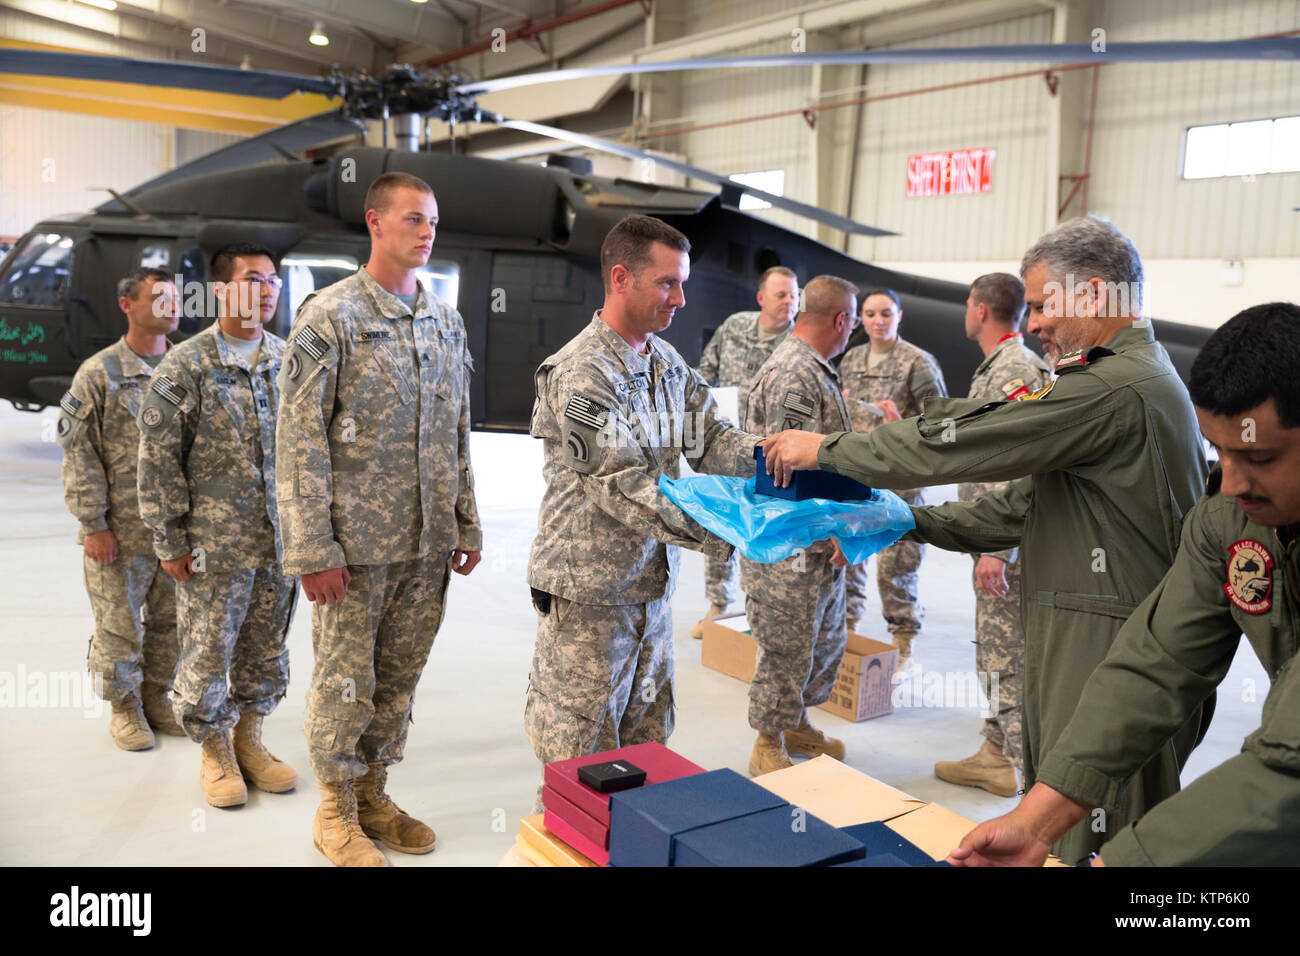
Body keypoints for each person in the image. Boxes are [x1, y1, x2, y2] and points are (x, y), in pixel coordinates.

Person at [760, 216, 1210, 863]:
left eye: (1042, 304)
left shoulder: (1117, 386)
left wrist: (830, 451)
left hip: (1110, 653)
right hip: (1092, 645)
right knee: (1071, 822)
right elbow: (1021, 510)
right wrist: (911, 520)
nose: (1035, 323)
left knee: (1101, 836)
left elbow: (968, 441)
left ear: (1091, 294)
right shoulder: (1124, 379)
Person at [949, 302, 1300, 866]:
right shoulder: (1228, 521)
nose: (1231, 481)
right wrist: (1038, 824)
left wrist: (1126, 866)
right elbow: (1155, 665)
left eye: (1258, 456)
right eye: (1220, 451)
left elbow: (1288, 763)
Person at [276, 172, 482, 867]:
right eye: (413, 218)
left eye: (433, 221)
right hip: (353, 548)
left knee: (397, 678)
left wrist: (466, 521)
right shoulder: (328, 317)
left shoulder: (444, 320)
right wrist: (311, 547)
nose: (426, 232)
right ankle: (334, 809)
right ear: (375, 222)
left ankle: (373, 793)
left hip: (425, 545)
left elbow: (458, 428)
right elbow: (299, 436)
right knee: (345, 678)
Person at [525, 214, 758, 803]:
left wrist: (777, 462)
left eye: (683, 284)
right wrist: (728, 526)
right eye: (667, 283)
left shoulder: (664, 362)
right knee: (580, 749)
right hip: (590, 593)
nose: (680, 299)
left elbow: (711, 439)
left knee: (645, 744)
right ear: (622, 278)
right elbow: (620, 482)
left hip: (649, 585)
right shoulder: (583, 372)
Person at [137, 243, 298, 810]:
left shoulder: (288, 361)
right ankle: (214, 748)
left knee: (265, 649)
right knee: (208, 650)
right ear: (223, 290)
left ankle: (250, 739)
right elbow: (157, 456)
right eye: (254, 279)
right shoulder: (186, 365)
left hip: (281, 543)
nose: (268, 289)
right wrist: (169, 538)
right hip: (213, 548)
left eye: (274, 280)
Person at [56, 267, 183, 751]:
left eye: (174, 299)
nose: (170, 307)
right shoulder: (98, 373)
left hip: (175, 530)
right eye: (157, 298)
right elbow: (78, 450)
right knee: (118, 621)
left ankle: (156, 696)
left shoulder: (184, 369)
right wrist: (93, 523)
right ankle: (124, 706)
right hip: (120, 530)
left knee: (173, 620)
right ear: (127, 305)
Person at [933, 273, 1050, 797]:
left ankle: (1036, 795)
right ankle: (995, 755)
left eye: (966, 303)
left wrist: (997, 549)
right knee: (998, 654)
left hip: (1008, 546)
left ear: (981, 310)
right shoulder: (1005, 365)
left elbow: (1024, 459)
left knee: (1009, 665)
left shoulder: (1015, 369)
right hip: (1000, 538)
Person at [741, 275, 857, 776]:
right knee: (787, 644)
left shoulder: (814, 368)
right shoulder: (794, 373)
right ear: (841, 320)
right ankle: (768, 741)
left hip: (816, 537)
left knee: (822, 639)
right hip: (789, 544)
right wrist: (831, 523)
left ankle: (795, 722)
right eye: (853, 320)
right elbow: (790, 469)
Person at [838, 288, 947, 674]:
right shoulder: (850, 359)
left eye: (886, 313)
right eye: (869, 314)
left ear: (899, 316)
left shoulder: (918, 363)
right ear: (860, 319)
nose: (877, 321)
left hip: (901, 476)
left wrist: (902, 426)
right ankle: (845, 631)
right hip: (857, 473)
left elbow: (943, 426)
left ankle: (902, 643)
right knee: (849, 555)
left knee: (896, 565)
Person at [692, 266, 800, 637]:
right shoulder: (735, 327)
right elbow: (705, 374)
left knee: (766, 528)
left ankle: (761, 614)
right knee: (719, 524)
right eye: (781, 294)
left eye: (794, 295)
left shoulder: (798, 344)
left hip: (769, 454)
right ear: (761, 299)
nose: (789, 302)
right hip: (725, 447)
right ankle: (717, 606)